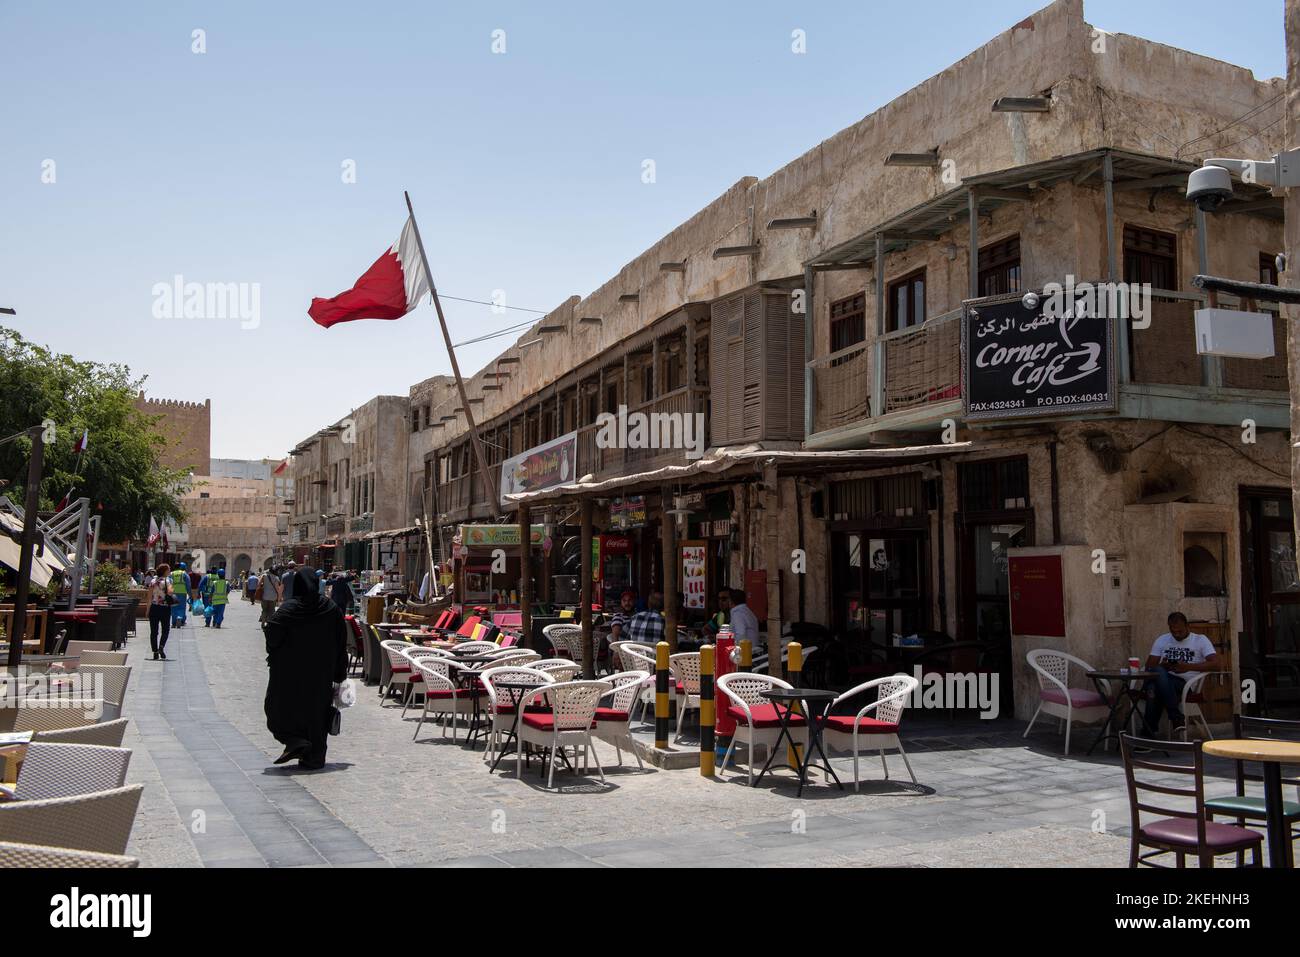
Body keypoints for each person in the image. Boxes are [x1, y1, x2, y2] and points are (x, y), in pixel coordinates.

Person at [263, 566, 349, 770]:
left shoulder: (289, 609)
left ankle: (294, 740)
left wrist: (277, 651)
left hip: (289, 673)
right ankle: (314, 757)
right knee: (317, 713)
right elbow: (340, 641)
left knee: (278, 708)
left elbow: (272, 631)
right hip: (321, 674)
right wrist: (340, 671)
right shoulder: (330, 608)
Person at [1140, 612, 1220, 739]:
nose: (1176, 634)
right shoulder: (1163, 639)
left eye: (1180, 631)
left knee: (1153, 685)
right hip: (1165, 680)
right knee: (1155, 682)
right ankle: (1175, 717)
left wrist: (1187, 667)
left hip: (1186, 684)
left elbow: (1216, 664)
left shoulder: (1200, 640)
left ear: (1187, 626)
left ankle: (1147, 734)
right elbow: (1149, 667)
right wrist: (1163, 665)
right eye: (1173, 632)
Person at [147, 562, 175, 661]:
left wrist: (147, 610)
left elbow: (149, 597)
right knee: (165, 630)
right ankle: (161, 647)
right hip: (165, 608)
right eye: (169, 570)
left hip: (154, 608)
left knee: (154, 631)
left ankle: (155, 652)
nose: (170, 571)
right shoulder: (169, 581)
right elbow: (171, 593)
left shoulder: (153, 581)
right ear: (165, 571)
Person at [170, 562, 190, 627]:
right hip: (182, 593)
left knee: (174, 607)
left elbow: (168, 583)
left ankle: (173, 623)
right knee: (181, 607)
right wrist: (190, 594)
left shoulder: (171, 574)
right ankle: (179, 617)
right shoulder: (184, 574)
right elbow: (188, 584)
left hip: (173, 593)